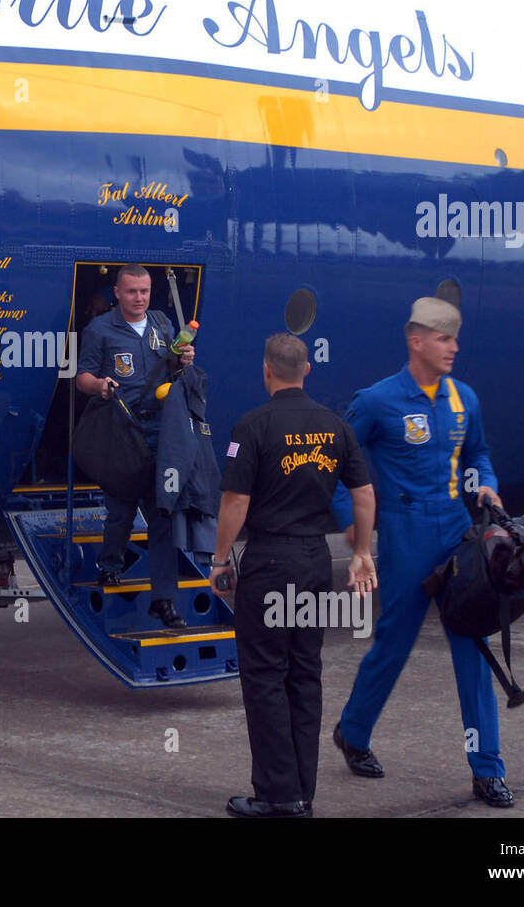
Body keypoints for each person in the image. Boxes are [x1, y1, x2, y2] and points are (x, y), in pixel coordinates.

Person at [331, 297, 515, 808]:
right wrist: (353, 526)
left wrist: (486, 486)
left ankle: (487, 768)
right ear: (416, 341)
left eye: (455, 338)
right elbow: (336, 462)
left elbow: (478, 454)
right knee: (394, 642)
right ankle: (353, 731)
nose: (454, 347)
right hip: (405, 532)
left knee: (473, 645)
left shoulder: (464, 398)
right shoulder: (377, 401)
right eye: (443, 338)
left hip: (456, 530)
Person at [209, 332, 376, 819]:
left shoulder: (251, 426)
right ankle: (303, 790)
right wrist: (362, 552)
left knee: (265, 676)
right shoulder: (335, 426)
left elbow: (235, 501)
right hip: (314, 561)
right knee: (305, 673)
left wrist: (220, 560)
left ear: (266, 370)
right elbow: (364, 494)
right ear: (307, 370)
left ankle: (278, 795)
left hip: (270, 562)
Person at [76, 264, 194, 628]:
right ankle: (110, 564)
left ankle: (164, 599)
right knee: (121, 508)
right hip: (123, 429)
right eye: (131, 291)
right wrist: (100, 386)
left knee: (163, 514)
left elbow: (172, 368)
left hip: (162, 430)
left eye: (144, 291)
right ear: (117, 293)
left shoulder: (162, 324)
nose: (139, 298)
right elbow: (82, 377)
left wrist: (183, 360)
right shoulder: (100, 330)